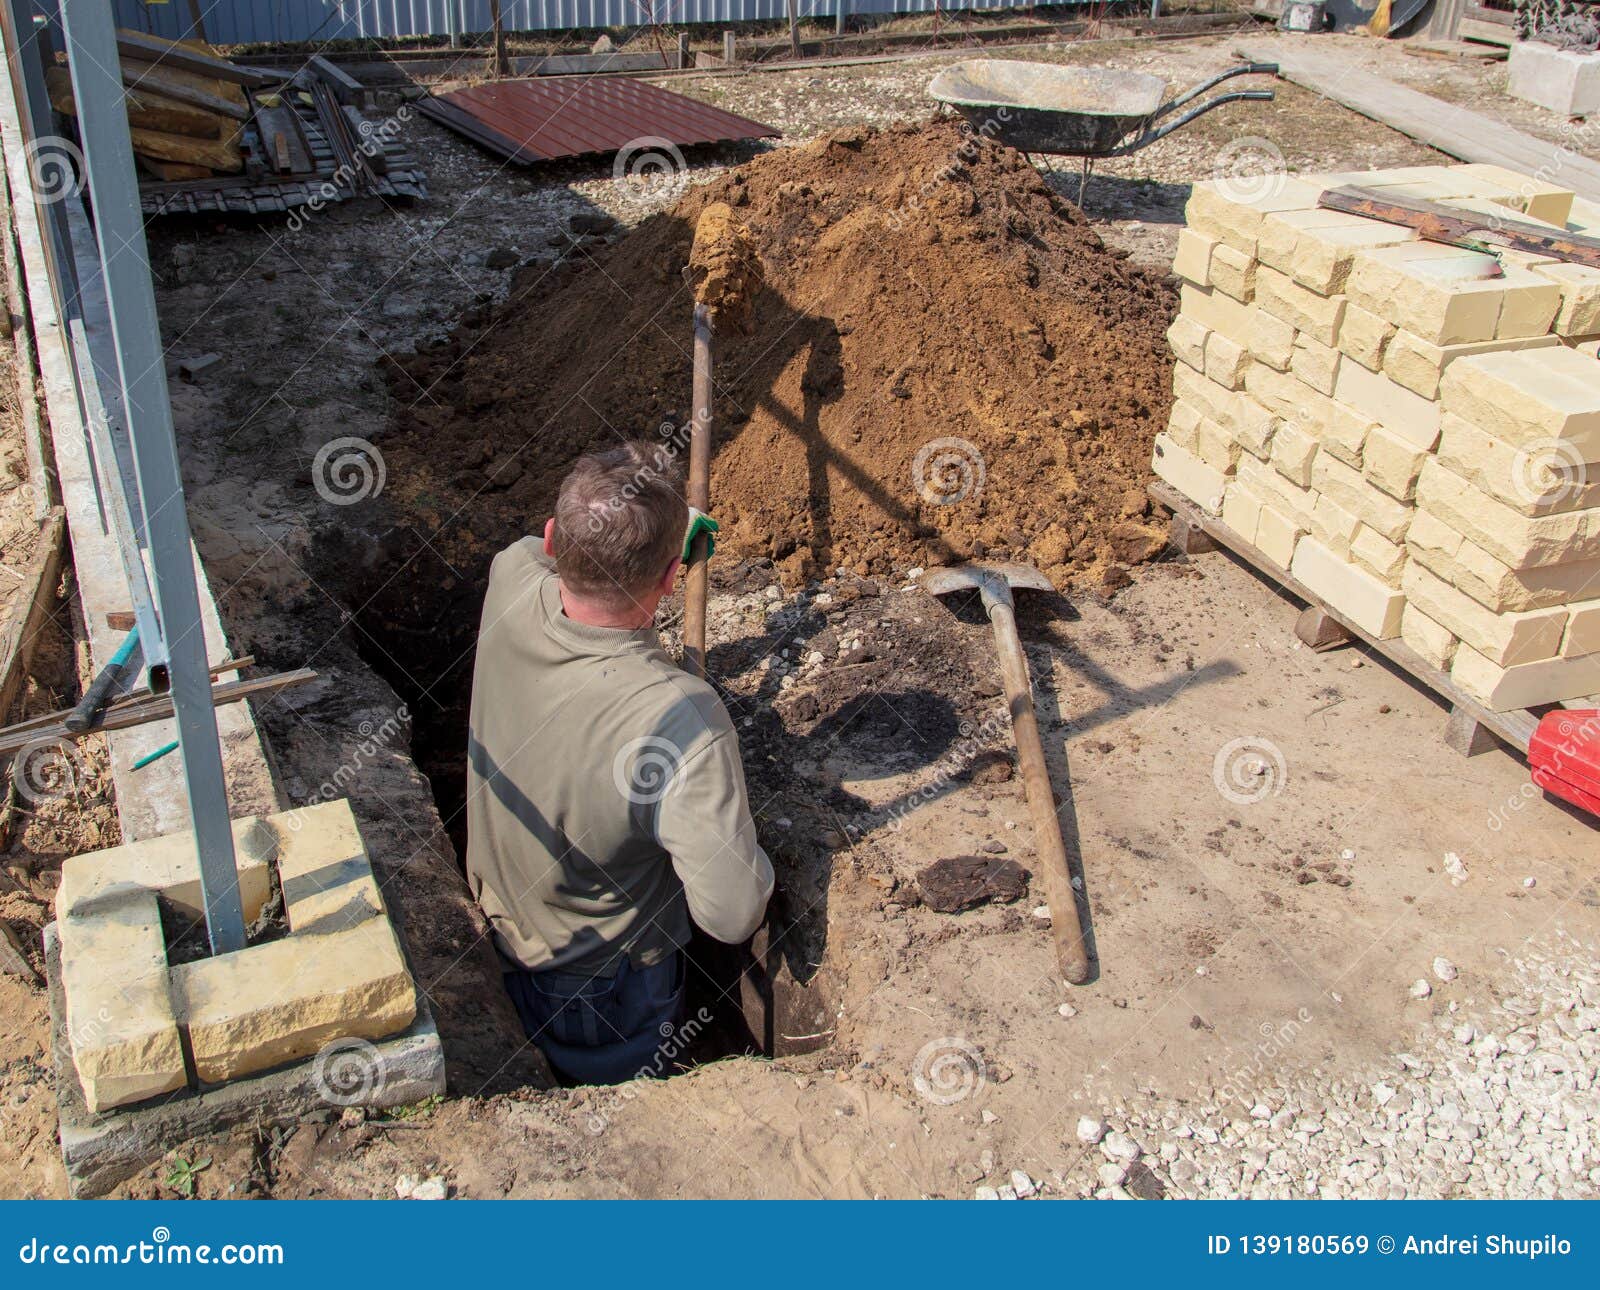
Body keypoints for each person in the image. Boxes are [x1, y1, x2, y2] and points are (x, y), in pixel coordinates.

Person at [465, 439, 774, 1085]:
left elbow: (530, 550)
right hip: (603, 991)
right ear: (671, 579)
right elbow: (732, 913)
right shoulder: (679, 717)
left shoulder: (509, 581)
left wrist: (649, 528)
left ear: (555, 539)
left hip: (501, 928)